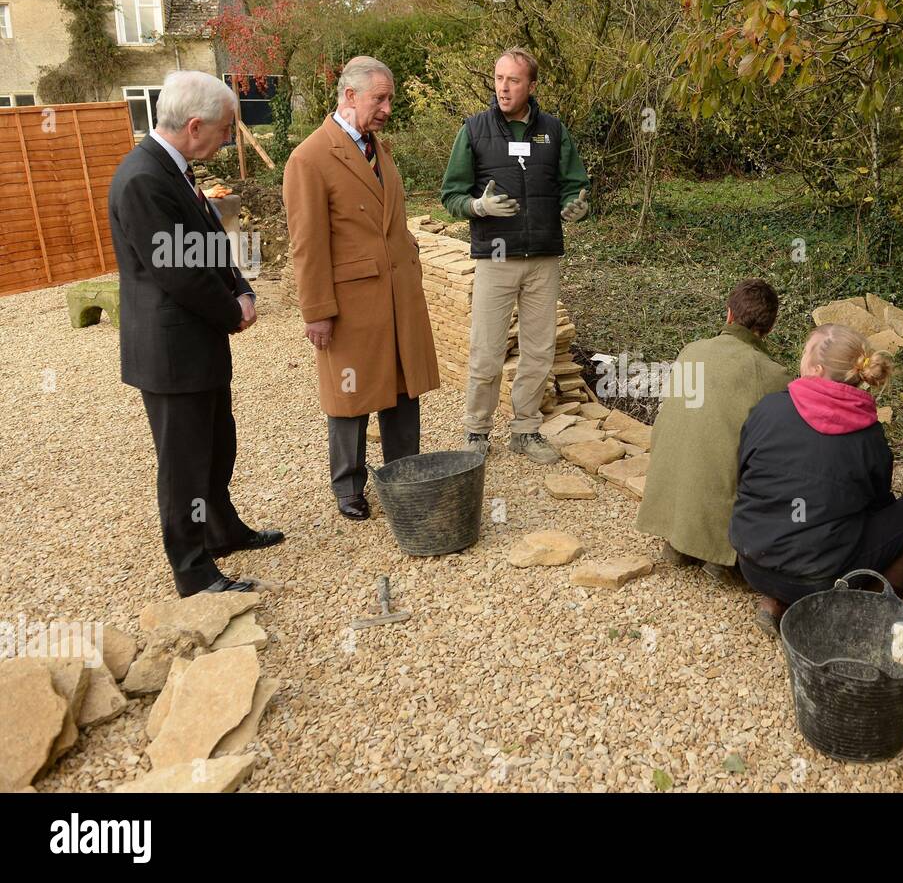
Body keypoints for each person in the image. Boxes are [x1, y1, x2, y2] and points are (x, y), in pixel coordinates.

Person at [109, 70, 283, 597]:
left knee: (215, 444)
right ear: (193, 125)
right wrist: (232, 312)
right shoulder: (144, 179)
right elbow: (176, 271)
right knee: (183, 462)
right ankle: (193, 569)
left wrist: (243, 287)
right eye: (226, 128)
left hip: (196, 341)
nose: (230, 137)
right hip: (171, 348)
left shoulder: (176, 169)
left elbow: (208, 244)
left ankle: (221, 529)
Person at [283, 56, 440, 521]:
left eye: (389, 98)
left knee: (403, 387)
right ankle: (348, 487)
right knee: (349, 394)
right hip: (351, 302)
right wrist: (316, 311)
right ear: (349, 96)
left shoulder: (379, 148)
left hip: (399, 294)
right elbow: (306, 244)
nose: (388, 107)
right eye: (380, 98)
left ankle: (404, 472)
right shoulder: (309, 158)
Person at [440, 46, 591, 465]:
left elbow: (574, 185)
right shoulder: (474, 130)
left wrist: (577, 206)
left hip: (543, 255)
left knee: (539, 349)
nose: (503, 87)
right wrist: (477, 207)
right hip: (496, 257)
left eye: (514, 80)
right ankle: (476, 430)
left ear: (532, 85)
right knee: (486, 350)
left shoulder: (554, 132)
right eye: (499, 78)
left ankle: (525, 429)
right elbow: (451, 193)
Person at [730, 323, 903, 636]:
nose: (801, 357)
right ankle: (865, 611)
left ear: (816, 369)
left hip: (752, 562)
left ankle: (775, 599)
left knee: (799, 513)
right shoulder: (868, 434)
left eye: (805, 352)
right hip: (820, 576)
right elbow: (877, 501)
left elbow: (745, 471)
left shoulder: (769, 407)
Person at [636, 279, 791, 580]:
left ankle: (678, 539)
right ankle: (719, 553)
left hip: (668, 490)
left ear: (729, 315)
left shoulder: (690, 350)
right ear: (770, 328)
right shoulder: (772, 374)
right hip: (716, 494)